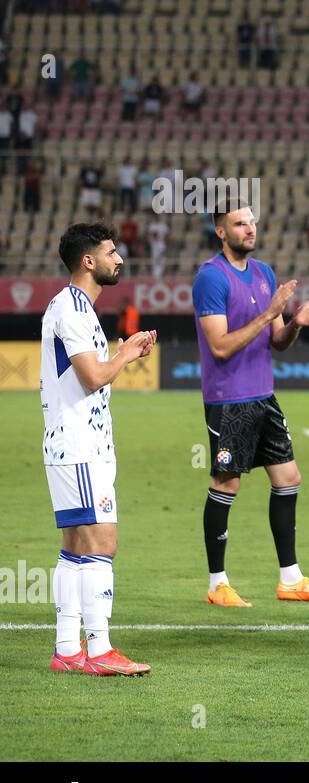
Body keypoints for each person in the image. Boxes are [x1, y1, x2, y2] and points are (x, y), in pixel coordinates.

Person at [192, 206, 309, 607]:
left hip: (263, 395)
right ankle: (217, 584)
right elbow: (220, 346)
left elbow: (277, 341)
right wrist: (270, 313)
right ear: (221, 231)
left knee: (288, 477)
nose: (250, 228)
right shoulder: (211, 277)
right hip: (228, 399)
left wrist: (294, 324)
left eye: (252, 222)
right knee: (227, 483)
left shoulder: (264, 273)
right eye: (240, 223)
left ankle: (290, 579)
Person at [42, 223, 157, 675]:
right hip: (78, 447)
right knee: (102, 544)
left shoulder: (77, 307)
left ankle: (67, 650)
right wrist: (124, 355)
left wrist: (123, 354)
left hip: (75, 445)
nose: (119, 259)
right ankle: (101, 649)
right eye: (111, 252)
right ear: (88, 261)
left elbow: (89, 377)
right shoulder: (71, 309)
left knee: (74, 546)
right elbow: (92, 377)